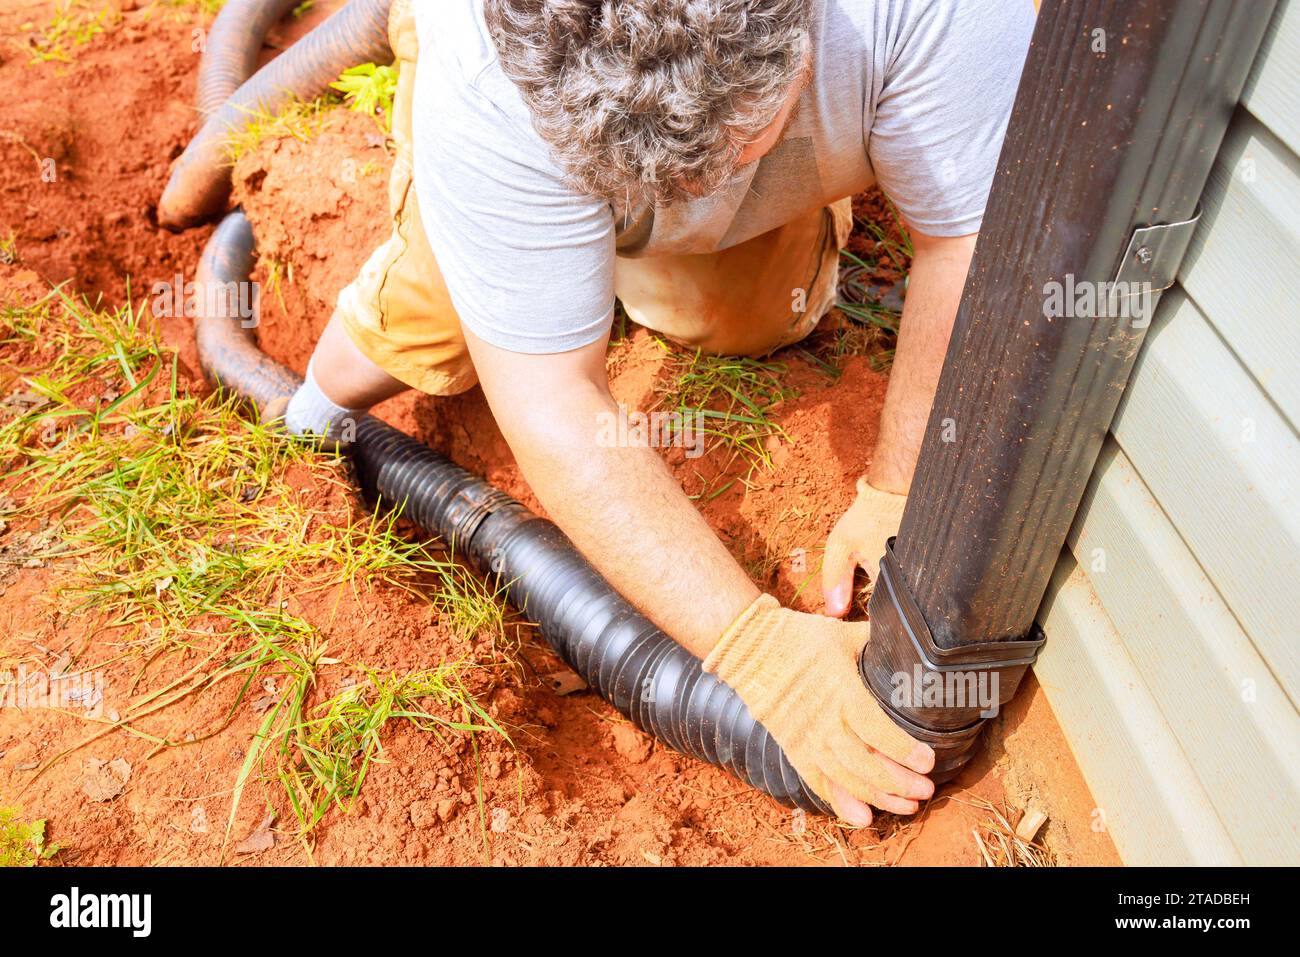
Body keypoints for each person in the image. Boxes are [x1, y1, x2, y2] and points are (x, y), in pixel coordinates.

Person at [267, 0, 1034, 825]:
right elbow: (552, 399)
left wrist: (900, 486)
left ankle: (654, 241)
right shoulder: (488, 76)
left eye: (725, 148)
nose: (690, 190)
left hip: (788, 94)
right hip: (522, 126)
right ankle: (301, 410)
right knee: (435, 319)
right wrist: (759, 652)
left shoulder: (946, 14)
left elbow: (974, 243)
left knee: (762, 312)